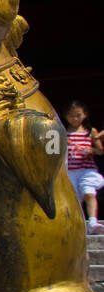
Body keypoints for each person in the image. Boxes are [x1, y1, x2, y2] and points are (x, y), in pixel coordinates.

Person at [64, 100, 104, 233]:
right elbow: (53, 151)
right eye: (71, 115)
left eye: (78, 115)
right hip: (70, 171)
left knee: (89, 192)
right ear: (66, 116)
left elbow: (100, 151)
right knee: (74, 198)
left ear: (85, 115)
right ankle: (78, 224)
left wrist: (91, 150)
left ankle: (93, 222)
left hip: (87, 169)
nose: (75, 118)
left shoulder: (91, 132)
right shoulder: (61, 132)